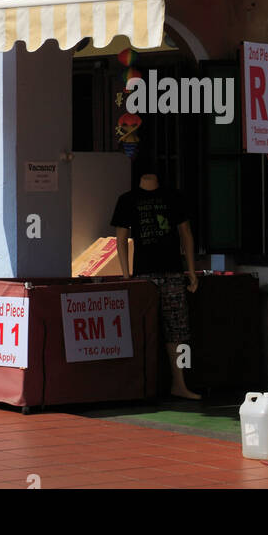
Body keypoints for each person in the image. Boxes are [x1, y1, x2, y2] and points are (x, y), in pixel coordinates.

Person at [111, 158, 200, 399]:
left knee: (177, 329)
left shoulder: (174, 197)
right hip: (143, 274)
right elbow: (120, 239)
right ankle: (141, 385)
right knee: (143, 329)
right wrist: (127, 274)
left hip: (171, 271)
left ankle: (179, 383)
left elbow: (186, 234)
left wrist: (190, 270)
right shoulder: (127, 199)